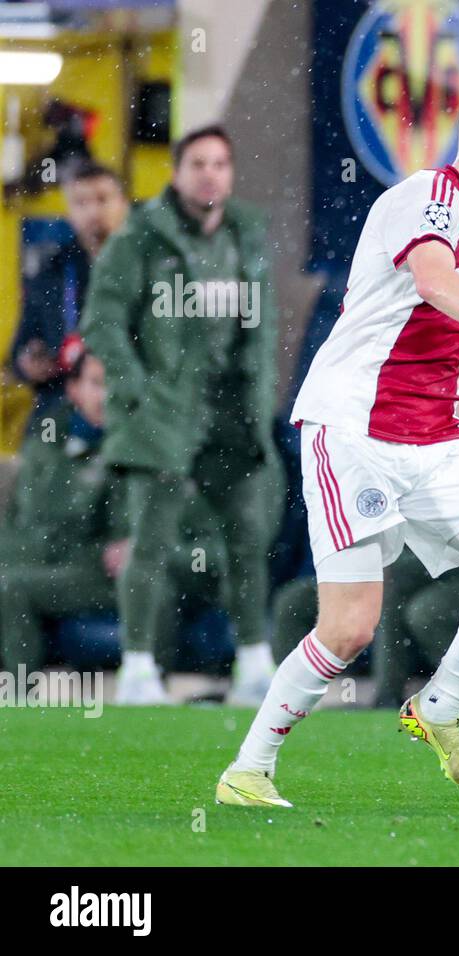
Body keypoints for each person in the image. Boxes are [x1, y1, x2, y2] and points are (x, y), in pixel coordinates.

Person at [216, 77, 459, 809]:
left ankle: (441, 704)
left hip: (435, 438)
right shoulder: (424, 197)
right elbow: (434, 280)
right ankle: (249, 769)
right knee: (350, 628)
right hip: (353, 427)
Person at [80, 125, 284, 706]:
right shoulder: (140, 237)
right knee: (150, 539)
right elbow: (103, 320)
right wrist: (139, 389)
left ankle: (252, 662)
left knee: (246, 538)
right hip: (163, 411)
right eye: (197, 163)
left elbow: (263, 330)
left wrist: (259, 400)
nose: (209, 174)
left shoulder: (248, 236)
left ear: (232, 173)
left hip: (230, 412)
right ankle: (139, 668)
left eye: (220, 163)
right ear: (175, 173)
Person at [0, 343, 124, 670]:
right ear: (73, 389)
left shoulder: (132, 450)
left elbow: (110, 535)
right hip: (43, 562)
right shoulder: (46, 439)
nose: (107, 395)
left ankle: (18, 707)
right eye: (97, 383)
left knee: (11, 589)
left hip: (96, 573)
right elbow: (29, 517)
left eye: (115, 383)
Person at [9, 163, 128, 420]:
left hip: (131, 408)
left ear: (123, 204)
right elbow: (19, 350)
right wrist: (28, 361)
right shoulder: (51, 270)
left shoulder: (151, 268)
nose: (93, 211)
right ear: (69, 211)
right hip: (62, 408)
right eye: (81, 202)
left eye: (102, 199)